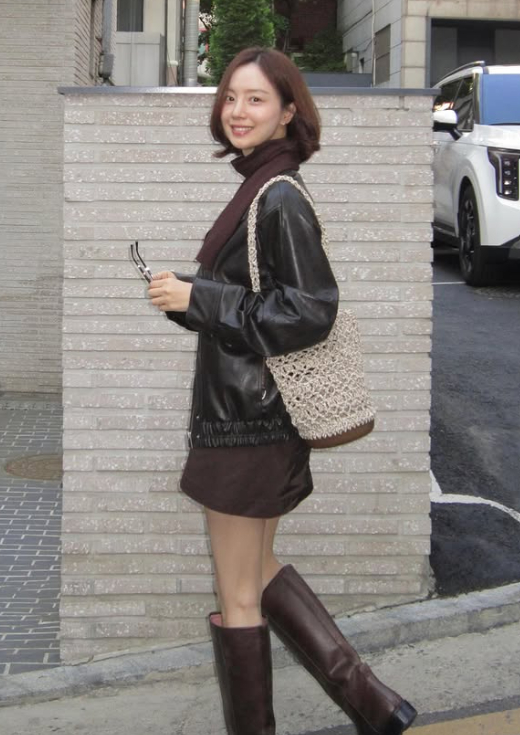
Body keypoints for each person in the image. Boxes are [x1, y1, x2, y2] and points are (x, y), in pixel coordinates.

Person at [147, 47, 417, 735]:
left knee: (239, 594)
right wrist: (190, 298)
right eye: (231, 97)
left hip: (247, 423)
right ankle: (372, 702)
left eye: (257, 99)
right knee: (259, 569)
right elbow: (255, 303)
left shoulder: (279, 196)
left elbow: (308, 310)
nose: (238, 111)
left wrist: (200, 297)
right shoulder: (261, 186)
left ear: (289, 111)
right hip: (252, 419)